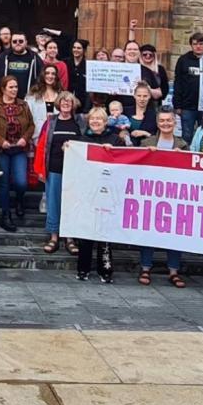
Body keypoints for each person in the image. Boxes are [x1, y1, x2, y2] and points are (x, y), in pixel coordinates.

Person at [136, 107, 189, 288]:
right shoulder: (147, 143)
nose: (166, 123)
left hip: (175, 196)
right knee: (148, 231)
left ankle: (174, 271)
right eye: (162, 121)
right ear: (157, 123)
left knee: (175, 232)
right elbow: (136, 165)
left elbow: (191, 171)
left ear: (174, 122)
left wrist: (183, 158)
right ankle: (145, 267)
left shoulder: (182, 145)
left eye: (169, 120)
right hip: (151, 194)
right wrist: (146, 155)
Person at [75, 107, 124, 282]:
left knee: (105, 235)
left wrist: (113, 152)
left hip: (108, 194)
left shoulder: (115, 140)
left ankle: (105, 270)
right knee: (86, 233)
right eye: (92, 119)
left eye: (99, 119)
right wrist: (69, 148)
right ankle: (83, 269)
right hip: (88, 192)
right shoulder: (81, 140)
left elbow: (124, 162)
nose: (95, 122)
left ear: (105, 122)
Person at [33, 92, 85, 254]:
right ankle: (54, 236)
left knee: (71, 204)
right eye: (63, 101)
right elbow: (42, 145)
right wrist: (40, 169)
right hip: (54, 168)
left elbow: (87, 142)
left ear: (73, 104)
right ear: (58, 103)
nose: (66, 104)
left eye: (69, 101)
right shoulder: (51, 122)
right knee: (53, 203)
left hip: (75, 171)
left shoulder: (80, 122)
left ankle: (70, 238)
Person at [0, 76, 34, 233]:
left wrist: (25, 138)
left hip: (19, 148)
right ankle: (6, 215)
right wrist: (0, 141)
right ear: (3, 89)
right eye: (11, 87)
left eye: (16, 87)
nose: (14, 90)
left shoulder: (23, 105)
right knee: (4, 182)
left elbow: (32, 125)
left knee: (21, 182)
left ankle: (20, 200)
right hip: (3, 150)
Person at [172, 32, 203, 143]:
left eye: (201, 43)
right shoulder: (183, 60)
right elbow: (178, 83)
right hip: (187, 106)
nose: (198, 46)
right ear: (191, 45)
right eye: (195, 44)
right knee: (187, 135)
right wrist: (177, 105)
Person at [0, 32, 42, 99]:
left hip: (28, 99)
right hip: (6, 99)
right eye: (14, 41)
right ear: (11, 43)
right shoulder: (3, 57)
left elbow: (41, 77)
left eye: (21, 41)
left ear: (26, 42)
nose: (17, 43)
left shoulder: (35, 57)